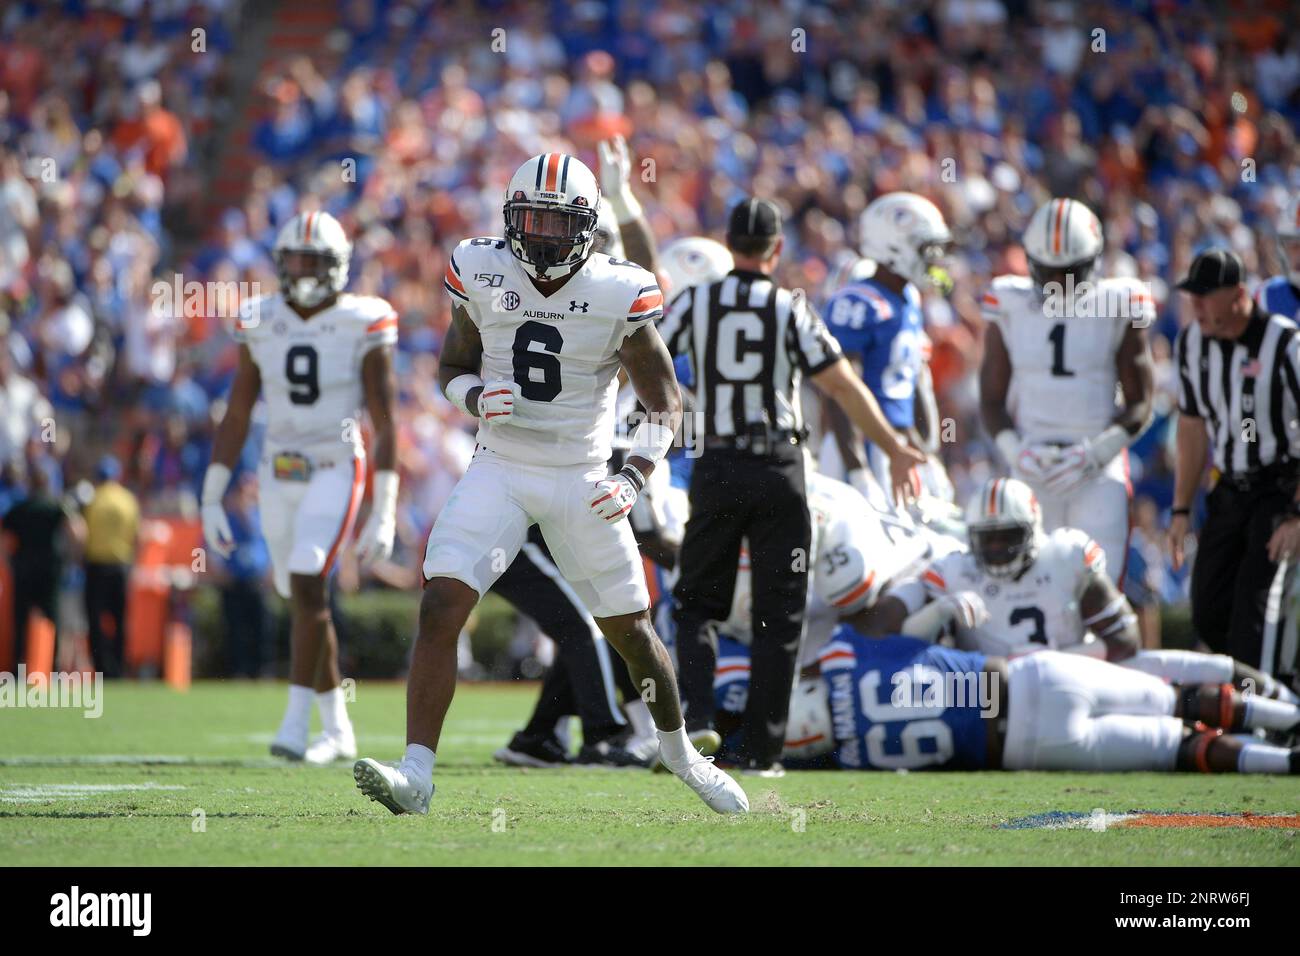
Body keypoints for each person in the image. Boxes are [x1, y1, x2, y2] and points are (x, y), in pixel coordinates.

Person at [353, 153, 749, 815]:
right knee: (440, 602)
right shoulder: (479, 267)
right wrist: (477, 395)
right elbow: (451, 366)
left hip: (582, 475)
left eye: (556, 221)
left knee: (632, 633)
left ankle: (683, 755)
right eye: (529, 218)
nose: (540, 235)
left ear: (588, 225)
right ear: (509, 217)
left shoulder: (620, 288)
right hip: (501, 466)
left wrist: (632, 475)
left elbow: (666, 405)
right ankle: (416, 775)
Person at [658, 196, 926, 776]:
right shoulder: (791, 308)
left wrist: (669, 415)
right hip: (781, 469)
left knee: (697, 604)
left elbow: (648, 358)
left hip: (718, 465)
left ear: (729, 245)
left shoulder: (697, 300)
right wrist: (896, 449)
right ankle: (761, 750)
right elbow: (843, 386)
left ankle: (699, 716)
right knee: (779, 618)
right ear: (777, 250)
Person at [201, 210, 400, 764]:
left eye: (316, 261)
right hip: (277, 469)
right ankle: (337, 728)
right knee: (299, 594)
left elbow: (385, 419)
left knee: (311, 579)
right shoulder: (261, 318)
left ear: (338, 266)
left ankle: (293, 726)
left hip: (336, 464)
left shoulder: (364, 318)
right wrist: (210, 494)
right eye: (297, 261)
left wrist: (383, 509)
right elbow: (237, 412)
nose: (306, 271)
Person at [867, 477, 1298, 702]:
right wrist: (940, 610)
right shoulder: (953, 570)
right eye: (988, 538)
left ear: (1033, 532)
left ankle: (1276, 701)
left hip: (1078, 677)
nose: (996, 550)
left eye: (1007, 537)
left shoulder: (1066, 556)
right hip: (991, 699)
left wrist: (1043, 662)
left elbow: (1125, 640)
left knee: (1159, 679)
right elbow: (890, 640)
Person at [779, 628, 1300, 774]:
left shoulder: (849, 760)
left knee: (1183, 749)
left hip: (1028, 748)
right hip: (1030, 680)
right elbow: (910, 636)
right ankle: (1292, 716)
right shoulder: (845, 657)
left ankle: (1287, 762)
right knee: (1177, 700)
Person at [980, 197, 1155, 585]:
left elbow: (1141, 401)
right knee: (1026, 588)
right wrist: (1015, 451)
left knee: (1098, 590)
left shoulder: (1118, 302)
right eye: (1049, 271)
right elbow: (991, 399)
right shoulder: (1009, 301)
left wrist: (1096, 454)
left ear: (1092, 262)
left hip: (1096, 466)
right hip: (1032, 461)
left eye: (1068, 272)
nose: (1058, 283)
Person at [1169, 248, 1300, 679]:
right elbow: (1191, 427)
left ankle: (1258, 718)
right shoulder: (1190, 344)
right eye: (1193, 296)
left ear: (1239, 295)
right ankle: (1260, 691)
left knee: (1255, 616)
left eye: (1207, 296)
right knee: (1208, 610)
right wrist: (1181, 509)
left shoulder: (1284, 342)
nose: (1197, 305)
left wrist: (1297, 513)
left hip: (1278, 488)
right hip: (1226, 488)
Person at [820, 192, 952, 510]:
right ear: (894, 245)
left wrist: (927, 454)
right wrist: (857, 469)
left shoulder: (909, 297)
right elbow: (840, 390)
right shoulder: (857, 301)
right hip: (861, 445)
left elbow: (910, 390)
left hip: (898, 447)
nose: (935, 260)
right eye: (926, 249)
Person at [2, 464, 72, 665]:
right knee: (53, 618)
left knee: (20, 621)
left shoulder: (18, 509)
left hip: (23, 570)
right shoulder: (54, 506)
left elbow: (4, 539)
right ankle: (54, 667)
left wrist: (8, 562)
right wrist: (71, 557)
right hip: (49, 571)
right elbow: (75, 530)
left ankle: (17, 666)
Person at [81, 455, 138, 678]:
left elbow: (82, 533)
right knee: (121, 619)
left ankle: (101, 667)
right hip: (121, 565)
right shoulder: (128, 500)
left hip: (97, 565)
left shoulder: (93, 500)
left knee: (95, 619)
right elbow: (136, 534)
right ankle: (119, 668)